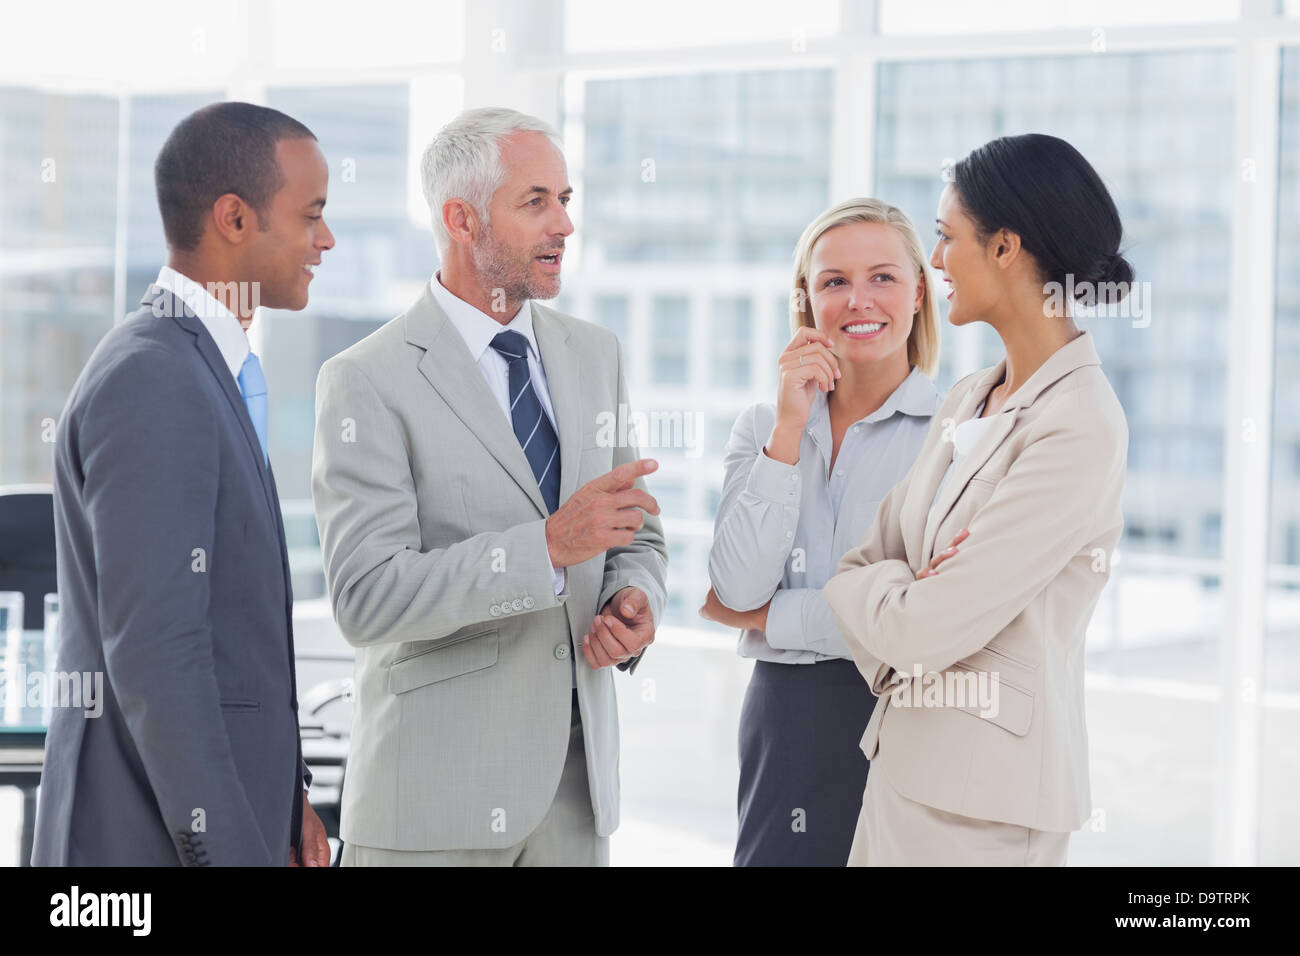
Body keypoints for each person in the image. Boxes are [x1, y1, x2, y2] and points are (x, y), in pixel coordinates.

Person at [312, 107, 668, 866]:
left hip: (575, 804)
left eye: (566, 200)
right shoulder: (365, 381)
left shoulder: (593, 354)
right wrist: (544, 548)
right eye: (535, 201)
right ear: (461, 218)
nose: (564, 225)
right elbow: (367, 597)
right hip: (432, 808)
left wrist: (635, 601)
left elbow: (634, 531)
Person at [32, 102, 335, 866]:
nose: (325, 241)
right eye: (311, 216)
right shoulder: (154, 377)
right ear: (234, 217)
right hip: (143, 846)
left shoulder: (202, 369)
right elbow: (160, 656)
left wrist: (285, 798)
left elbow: (237, 641)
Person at [822, 133, 1131, 866]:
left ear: (1005, 248)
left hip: (987, 808)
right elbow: (857, 563)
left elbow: (924, 628)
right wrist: (902, 590)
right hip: (901, 769)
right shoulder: (969, 396)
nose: (934, 260)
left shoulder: (1080, 422)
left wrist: (901, 596)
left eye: (945, 235)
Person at [701, 198, 942, 866]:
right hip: (787, 721)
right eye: (834, 281)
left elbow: (929, 618)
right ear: (806, 301)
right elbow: (734, 584)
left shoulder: (956, 436)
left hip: (907, 714)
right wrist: (787, 430)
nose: (858, 299)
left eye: (883, 277)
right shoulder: (762, 427)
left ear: (919, 293)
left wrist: (770, 617)